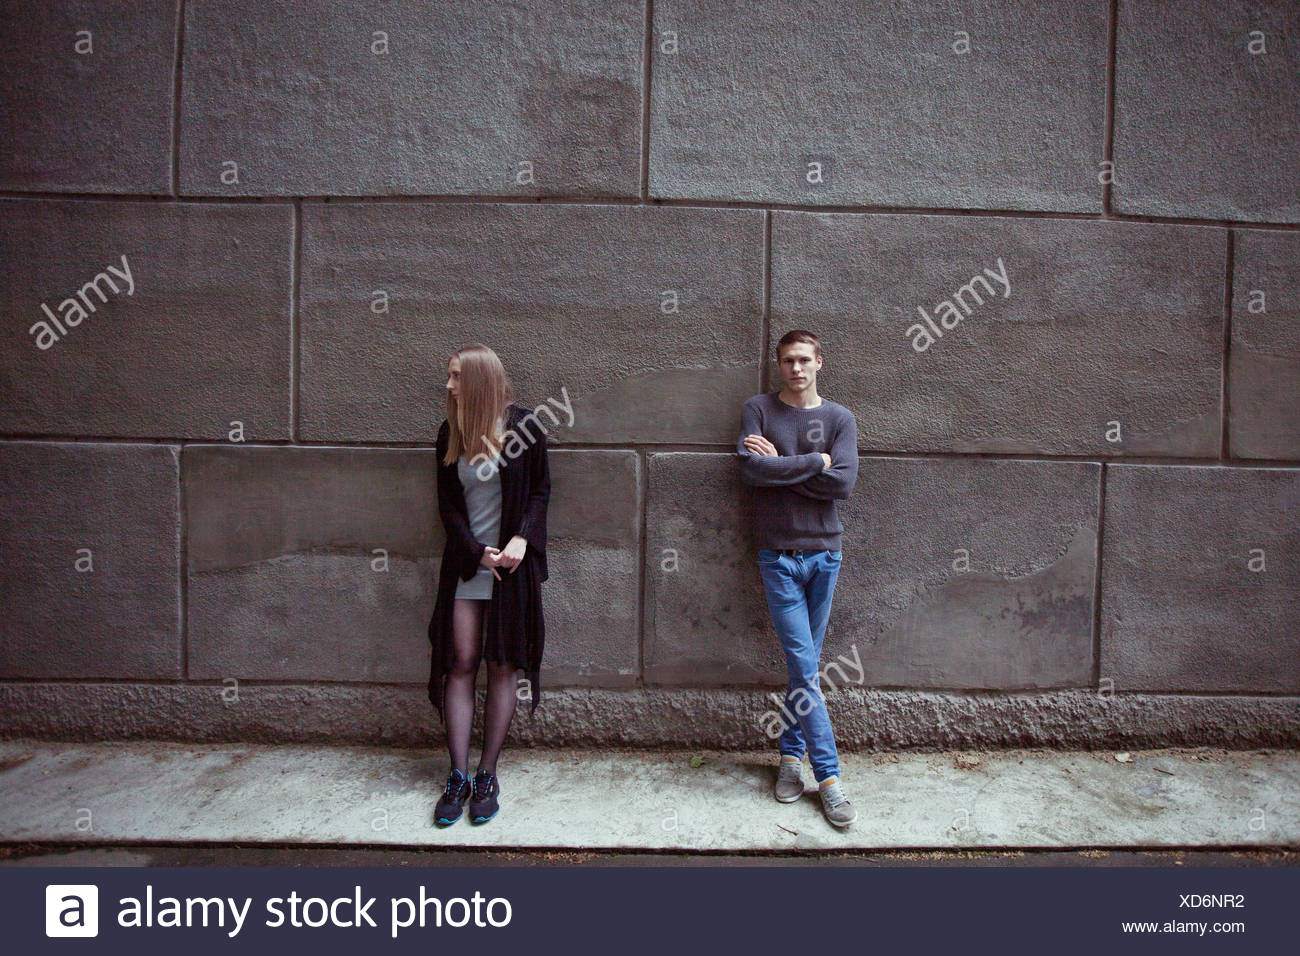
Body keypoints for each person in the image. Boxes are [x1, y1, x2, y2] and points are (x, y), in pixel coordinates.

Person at [737, 329, 860, 828]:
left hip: (825, 555)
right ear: (779, 364)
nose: (797, 369)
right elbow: (752, 472)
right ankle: (829, 780)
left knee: (801, 668)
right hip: (778, 558)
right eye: (788, 360)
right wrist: (816, 462)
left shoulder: (840, 418)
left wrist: (782, 466)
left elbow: (843, 483)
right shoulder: (758, 409)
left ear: (819, 363)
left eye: (805, 360)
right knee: (806, 669)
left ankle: (790, 757)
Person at [427, 343, 551, 826]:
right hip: (468, 564)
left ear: (479, 379)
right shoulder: (450, 431)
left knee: (502, 666)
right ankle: (457, 775)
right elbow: (448, 506)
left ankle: (487, 775)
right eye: (450, 375)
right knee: (460, 661)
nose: (449, 385)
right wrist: (475, 550)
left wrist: (522, 538)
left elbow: (540, 491)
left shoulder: (524, 427)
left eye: (457, 376)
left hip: (511, 568)